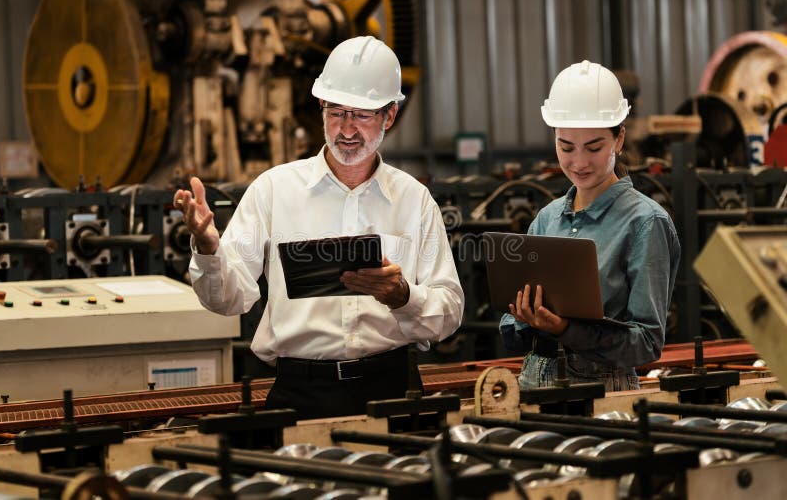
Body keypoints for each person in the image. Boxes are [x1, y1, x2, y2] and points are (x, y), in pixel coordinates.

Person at [174, 36, 464, 419]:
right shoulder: (274, 190)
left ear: (390, 116)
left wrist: (402, 295)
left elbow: (450, 311)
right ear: (321, 107)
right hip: (301, 393)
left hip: (393, 388)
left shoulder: (414, 200)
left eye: (362, 115)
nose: (347, 129)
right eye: (336, 112)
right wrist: (209, 249)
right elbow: (228, 300)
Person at [499, 60, 680, 392]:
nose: (579, 162)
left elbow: (646, 342)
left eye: (594, 147)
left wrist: (565, 329)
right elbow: (511, 326)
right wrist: (523, 317)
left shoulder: (645, 223)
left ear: (619, 139)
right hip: (532, 381)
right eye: (566, 147)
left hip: (603, 390)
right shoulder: (547, 218)